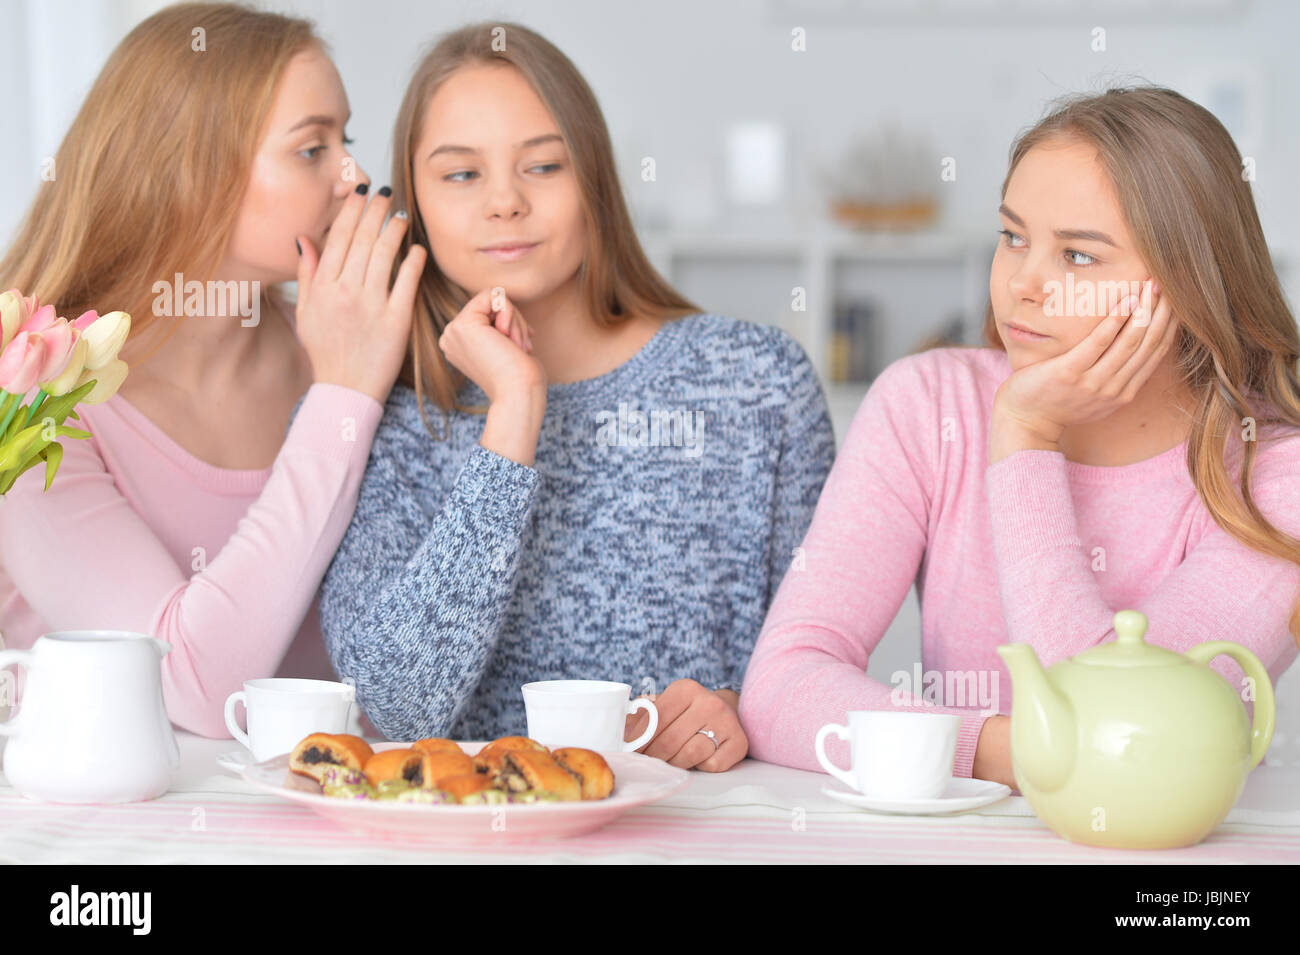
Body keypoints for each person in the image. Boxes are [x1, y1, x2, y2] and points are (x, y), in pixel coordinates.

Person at [740, 86, 1300, 787]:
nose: (1023, 284)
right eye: (1014, 237)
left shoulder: (1274, 478)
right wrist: (1004, 749)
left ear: (1187, 288)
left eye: (1079, 257)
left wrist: (1027, 437)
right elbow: (781, 688)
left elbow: (1112, 729)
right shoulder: (929, 404)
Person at [315, 22, 834, 771]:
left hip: (700, 839)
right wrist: (515, 415)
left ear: (594, 179)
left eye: (545, 166)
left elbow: (820, 670)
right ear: (416, 204)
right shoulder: (382, 415)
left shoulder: (759, 382)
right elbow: (397, 705)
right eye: (461, 174)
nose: (504, 203)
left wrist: (740, 711)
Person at [0, 2, 426, 737]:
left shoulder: (353, 350)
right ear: (190, 171)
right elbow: (188, 687)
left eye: (345, 140)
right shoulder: (32, 396)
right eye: (310, 148)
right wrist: (344, 396)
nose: (354, 177)